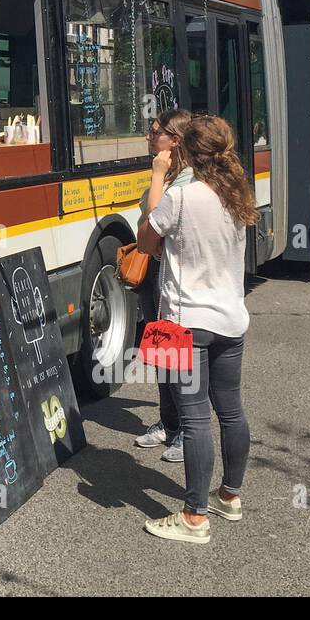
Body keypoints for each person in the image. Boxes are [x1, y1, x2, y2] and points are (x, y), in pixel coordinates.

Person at [136, 114, 258, 545]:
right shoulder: (237, 193)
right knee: (231, 411)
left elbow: (146, 241)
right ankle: (230, 496)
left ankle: (193, 517)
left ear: (186, 150)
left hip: (184, 322)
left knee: (193, 417)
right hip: (230, 318)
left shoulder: (182, 196)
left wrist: (157, 177)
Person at [132, 108, 194, 465]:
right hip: (158, 268)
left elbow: (156, 218)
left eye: (156, 132)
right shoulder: (171, 173)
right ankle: (170, 423)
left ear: (175, 139)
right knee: (162, 350)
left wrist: (157, 174)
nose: (149, 136)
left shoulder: (186, 177)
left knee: (180, 354)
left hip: (177, 273)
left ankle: (187, 429)